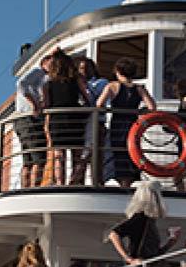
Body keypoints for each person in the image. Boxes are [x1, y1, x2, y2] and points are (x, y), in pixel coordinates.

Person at [96, 58, 156, 188]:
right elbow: (152, 107)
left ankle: (120, 183)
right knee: (131, 152)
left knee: (117, 152)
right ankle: (127, 183)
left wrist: (110, 109)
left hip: (118, 123)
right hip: (133, 125)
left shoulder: (112, 86)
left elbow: (99, 104)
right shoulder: (139, 88)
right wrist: (140, 112)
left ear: (118, 71)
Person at [107, 181, 181, 267]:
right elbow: (114, 234)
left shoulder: (148, 221)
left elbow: (153, 255)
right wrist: (129, 259)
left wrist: (171, 242)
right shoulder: (141, 218)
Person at [44, 50, 90, 186]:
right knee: (77, 152)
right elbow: (87, 98)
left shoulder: (48, 84)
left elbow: (47, 105)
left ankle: (60, 182)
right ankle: (75, 180)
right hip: (74, 118)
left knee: (59, 154)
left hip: (57, 119)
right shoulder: (76, 80)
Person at [14, 53, 53, 188]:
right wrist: (34, 104)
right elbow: (21, 83)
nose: (53, 67)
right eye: (51, 63)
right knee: (39, 158)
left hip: (23, 120)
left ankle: (26, 188)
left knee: (29, 161)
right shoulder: (38, 72)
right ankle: (33, 188)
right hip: (29, 118)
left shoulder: (44, 78)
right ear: (44, 62)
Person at [74, 57, 109, 184]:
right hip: (81, 123)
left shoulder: (102, 83)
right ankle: (78, 182)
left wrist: (84, 86)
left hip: (97, 122)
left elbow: (98, 101)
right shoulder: (76, 84)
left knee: (96, 155)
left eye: (86, 68)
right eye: (81, 69)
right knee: (79, 154)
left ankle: (97, 182)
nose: (83, 72)